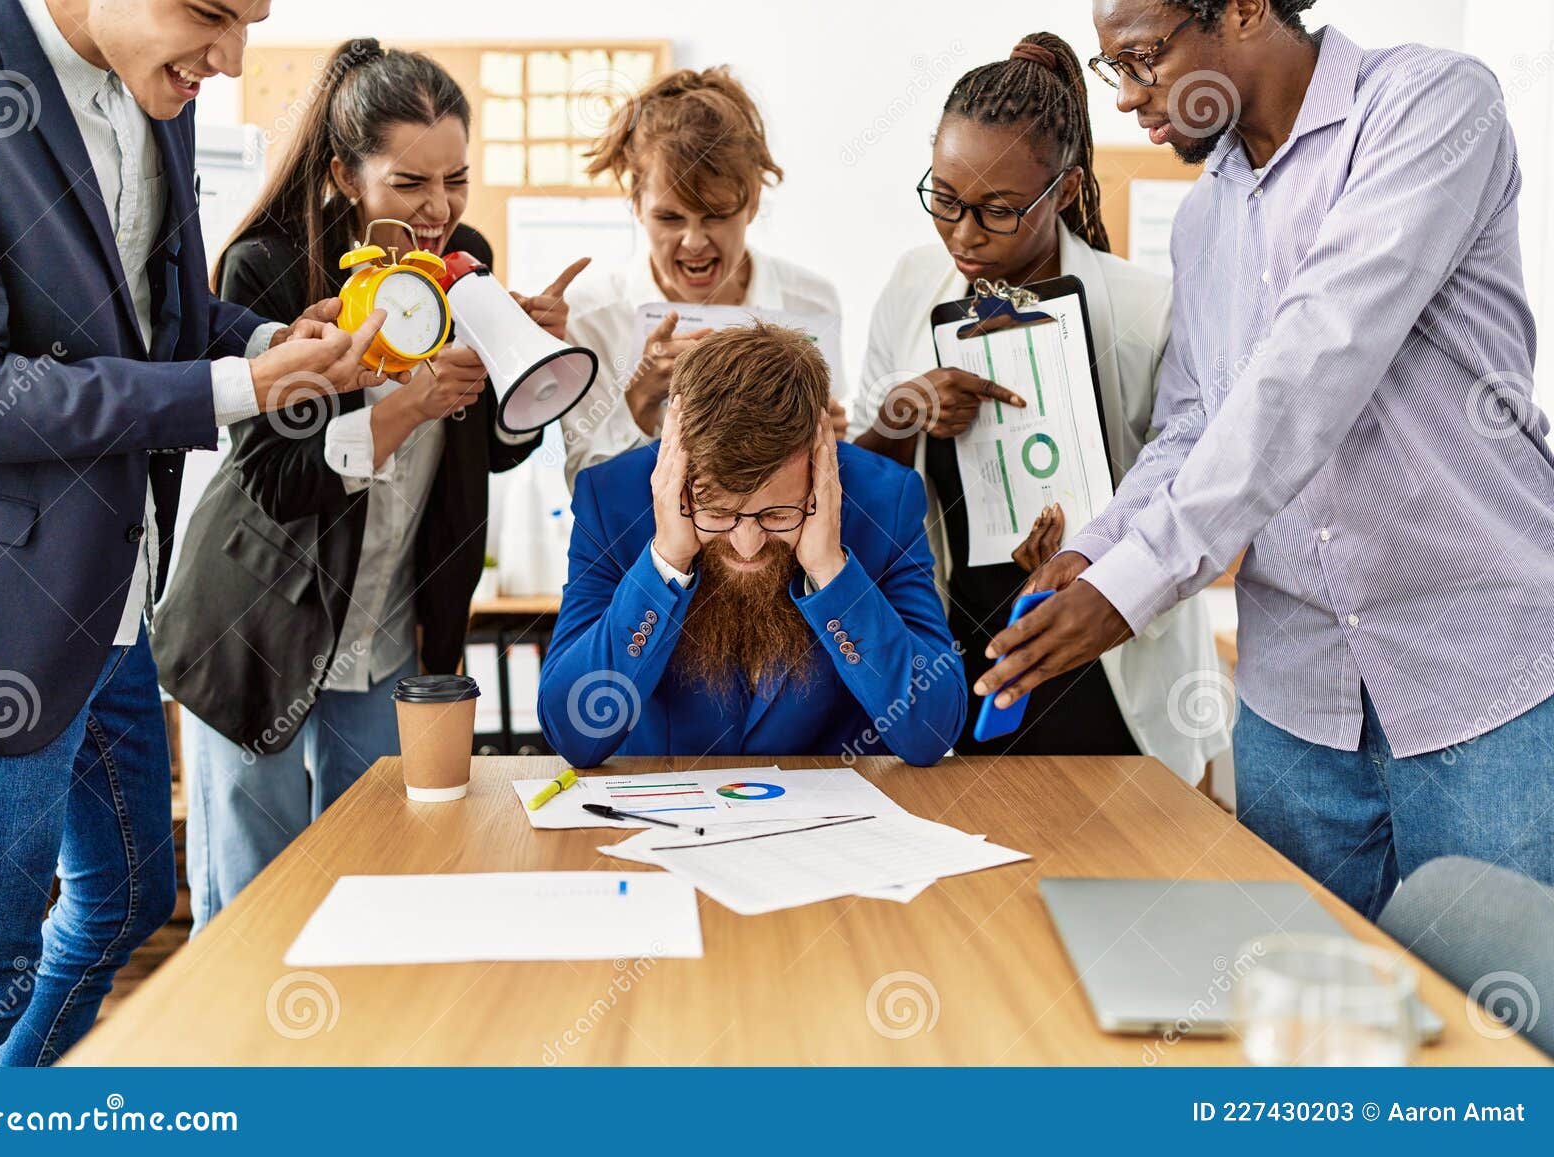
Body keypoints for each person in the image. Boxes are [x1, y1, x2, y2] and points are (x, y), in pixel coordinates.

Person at [980, 0, 1554, 916]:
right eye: (1111, 69)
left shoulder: (1430, 105)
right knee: (1286, 1013)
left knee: (1501, 1037)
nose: (1126, 98)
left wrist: (1135, 584)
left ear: (1243, 8)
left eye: (1142, 59)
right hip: (1296, 699)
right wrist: (1097, 549)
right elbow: (1193, 426)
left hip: (1479, 676)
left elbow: (1315, 364)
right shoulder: (1207, 218)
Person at [0, 0, 386, 1066]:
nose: (234, 60)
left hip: (117, 596)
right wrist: (236, 384)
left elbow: (144, 308)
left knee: (133, 896)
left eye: (253, 18)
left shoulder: (159, 84)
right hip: (0, 613)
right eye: (209, 13)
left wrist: (268, 336)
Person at [153, 40, 580, 931]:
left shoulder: (467, 260)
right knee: (250, 909)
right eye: (409, 184)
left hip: (391, 633)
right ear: (347, 174)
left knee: (379, 888)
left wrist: (523, 371)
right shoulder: (271, 268)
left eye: (455, 180)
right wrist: (405, 408)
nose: (438, 210)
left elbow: (487, 458)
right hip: (256, 626)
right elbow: (275, 478)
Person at [851, 34, 1225, 781]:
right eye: (946, 201)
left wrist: (1092, 541)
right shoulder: (912, 284)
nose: (964, 233)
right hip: (961, 663)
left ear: (1062, 189)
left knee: (1120, 879)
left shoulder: (1147, 310)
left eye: (996, 211)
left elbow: (1196, 492)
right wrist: (900, 414)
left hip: (1108, 667)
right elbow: (855, 487)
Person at [538, 323, 965, 768]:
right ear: (678, 459)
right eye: (717, 514)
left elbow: (930, 730)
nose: (746, 544)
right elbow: (574, 735)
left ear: (820, 455)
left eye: (778, 516)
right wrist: (665, 560)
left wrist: (830, 570)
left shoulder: (886, 501)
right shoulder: (610, 500)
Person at [558, 66, 846, 489]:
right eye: (670, 217)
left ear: (752, 203)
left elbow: (828, 486)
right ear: (636, 204)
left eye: (716, 216)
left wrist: (835, 444)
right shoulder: (592, 315)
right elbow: (583, 490)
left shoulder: (810, 304)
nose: (693, 241)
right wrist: (638, 404)